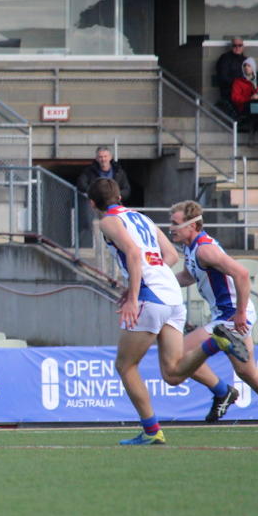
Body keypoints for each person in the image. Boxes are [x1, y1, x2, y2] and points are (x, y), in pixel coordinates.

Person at [167, 201, 258, 432]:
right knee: (246, 371)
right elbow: (187, 277)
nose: (171, 228)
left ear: (192, 226)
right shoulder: (192, 248)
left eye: (175, 224)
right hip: (228, 314)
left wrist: (239, 313)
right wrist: (158, 285)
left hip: (230, 316)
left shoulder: (204, 249)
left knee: (179, 356)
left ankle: (222, 392)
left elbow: (242, 273)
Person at [88, 178, 184, 445]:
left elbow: (132, 252)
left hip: (149, 296)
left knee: (125, 365)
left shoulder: (108, 221)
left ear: (92, 203)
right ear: (119, 196)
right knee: (174, 371)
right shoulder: (142, 218)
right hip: (173, 294)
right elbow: (172, 256)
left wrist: (134, 294)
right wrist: (141, 280)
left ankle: (152, 431)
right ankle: (213, 349)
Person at [230, 57, 258, 130]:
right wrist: (250, 98)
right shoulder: (238, 82)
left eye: (248, 66)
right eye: (244, 66)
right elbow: (235, 97)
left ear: (253, 68)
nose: (246, 67)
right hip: (246, 106)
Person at [215, 37, 247, 108]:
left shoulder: (246, 60)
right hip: (230, 90)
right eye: (234, 45)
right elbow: (223, 77)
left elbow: (251, 76)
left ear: (243, 47)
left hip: (244, 91)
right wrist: (238, 85)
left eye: (239, 45)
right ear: (231, 47)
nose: (237, 47)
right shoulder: (225, 58)